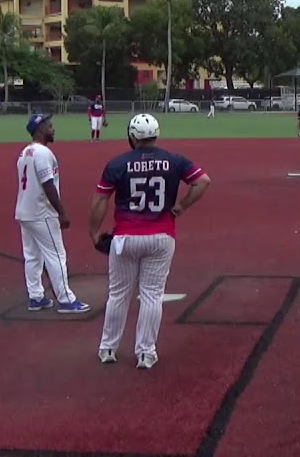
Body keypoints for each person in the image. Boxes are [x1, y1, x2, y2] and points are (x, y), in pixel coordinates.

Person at [90, 113, 211, 369]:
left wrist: (94, 231)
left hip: (126, 236)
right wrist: (182, 206)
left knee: (118, 294)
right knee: (152, 295)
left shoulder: (118, 163)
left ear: (133, 136)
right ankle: (146, 352)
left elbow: (100, 200)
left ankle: (108, 348)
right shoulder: (174, 160)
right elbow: (202, 181)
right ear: (156, 133)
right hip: (161, 235)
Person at [16, 114, 91, 314]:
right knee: (56, 255)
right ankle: (66, 299)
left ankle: (36, 297)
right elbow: (48, 185)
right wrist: (62, 213)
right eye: (49, 126)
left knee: (32, 256)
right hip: (42, 213)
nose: (53, 129)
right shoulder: (42, 153)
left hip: (24, 211)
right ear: (40, 130)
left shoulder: (25, 153)